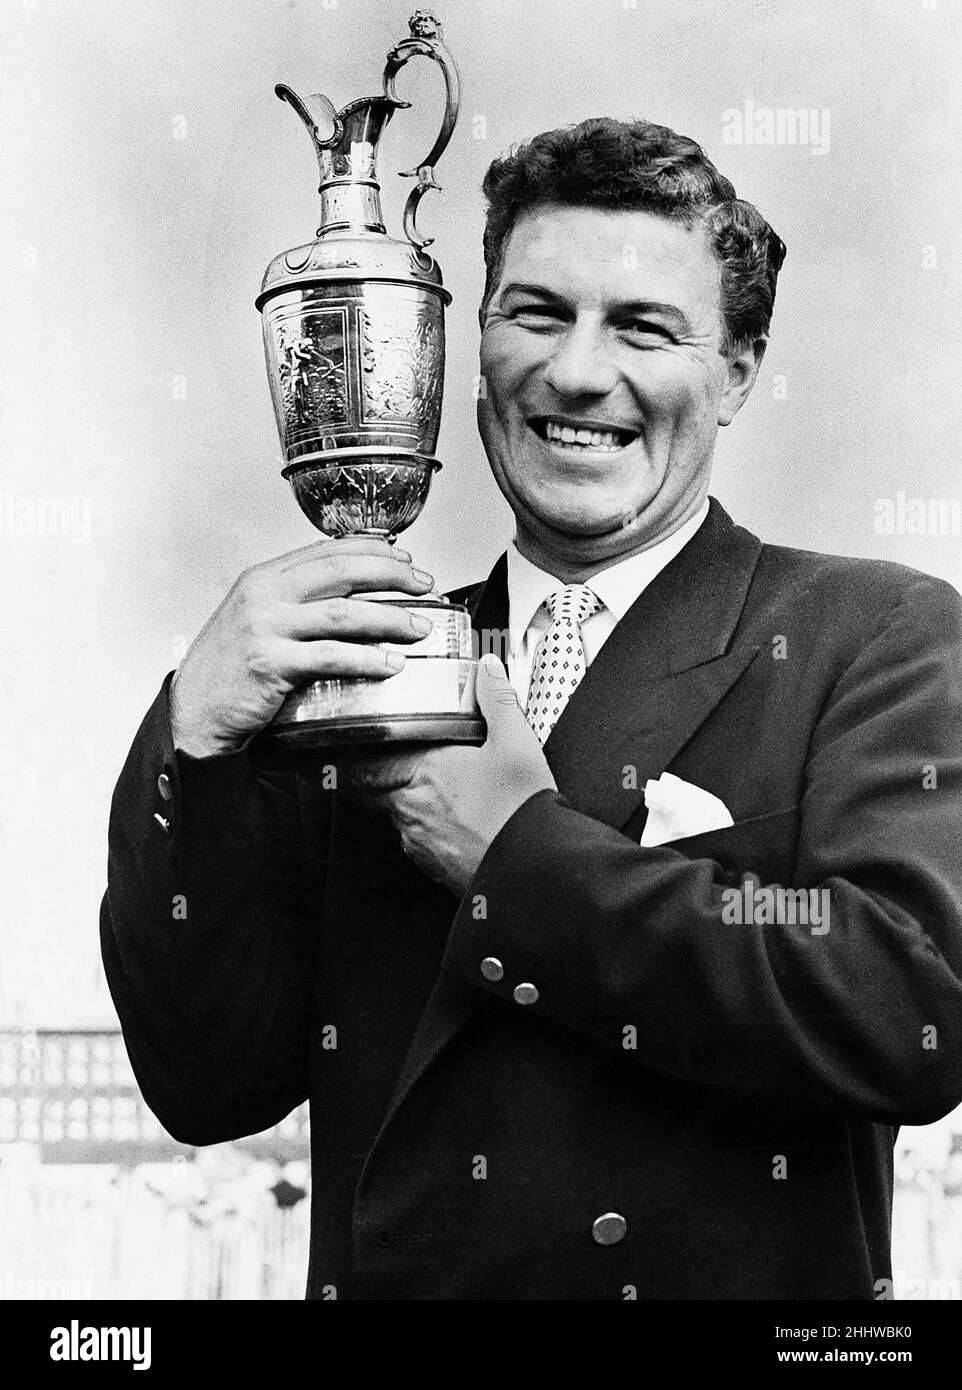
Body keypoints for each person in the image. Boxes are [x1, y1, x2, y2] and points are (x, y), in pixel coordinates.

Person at [100, 117, 962, 1300]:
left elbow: (908, 1006)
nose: (574, 373)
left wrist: (516, 857)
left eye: (643, 328)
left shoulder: (874, 633)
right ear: (474, 341)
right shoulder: (363, 659)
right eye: (536, 313)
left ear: (739, 371)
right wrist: (191, 734)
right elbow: (206, 1085)